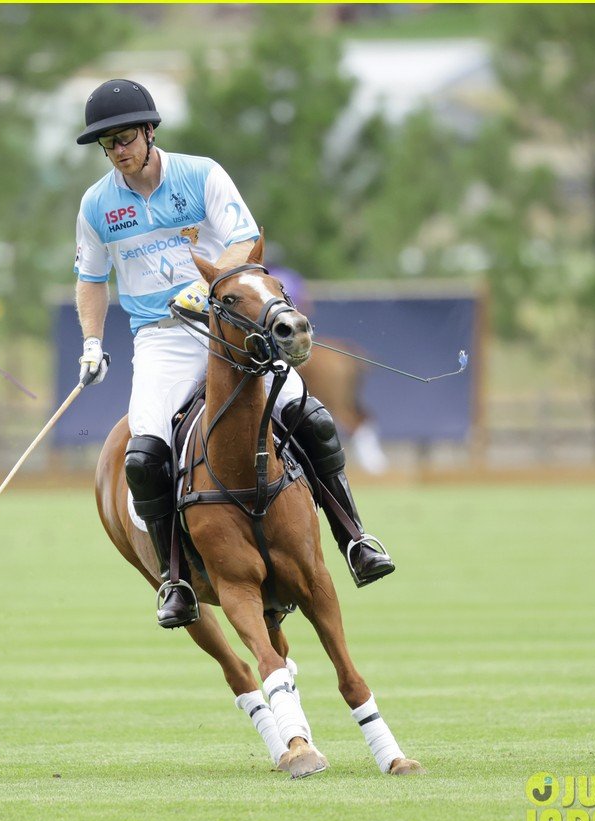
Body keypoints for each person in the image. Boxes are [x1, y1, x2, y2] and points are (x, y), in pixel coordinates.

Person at [71, 79, 394, 630]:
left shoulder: (201, 174)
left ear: (149, 132)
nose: (118, 151)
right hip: (160, 341)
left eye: (125, 138)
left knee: (307, 414)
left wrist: (211, 285)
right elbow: (91, 278)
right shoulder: (98, 204)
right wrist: (93, 342)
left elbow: (246, 240)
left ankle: (355, 538)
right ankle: (175, 580)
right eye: (108, 145)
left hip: (222, 324)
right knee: (145, 456)